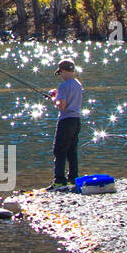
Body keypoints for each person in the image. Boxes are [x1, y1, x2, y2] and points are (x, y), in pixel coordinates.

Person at [47, 59, 83, 191]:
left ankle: (59, 181)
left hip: (66, 121)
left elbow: (62, 105)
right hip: (76, 121)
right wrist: (57, 96)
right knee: (71, 151)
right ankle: (73, 179)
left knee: (59, 151)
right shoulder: (78, 84)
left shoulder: (63, 86)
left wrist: (53, 99)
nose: (61, 76)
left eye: (60, 73)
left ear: (62, 71)